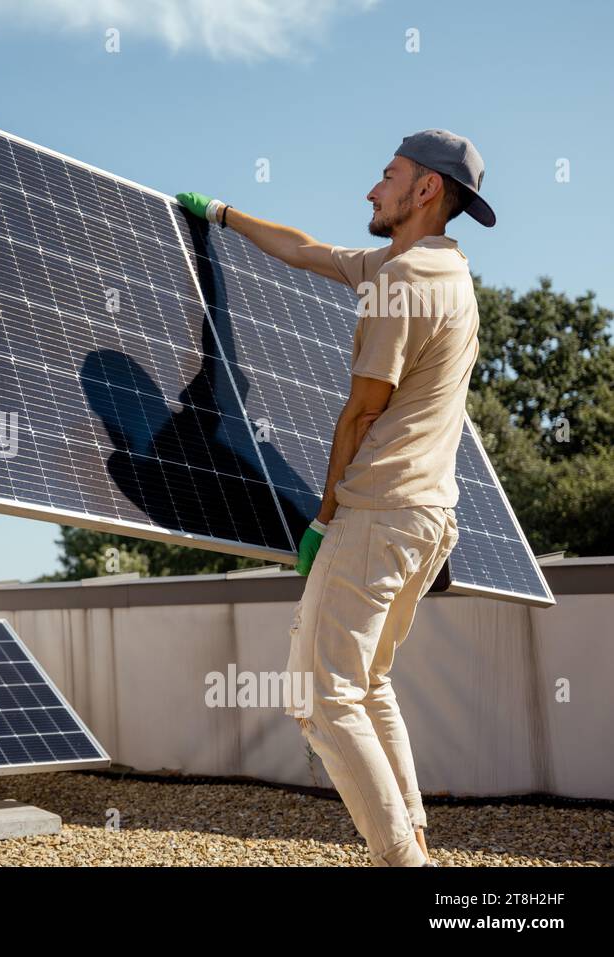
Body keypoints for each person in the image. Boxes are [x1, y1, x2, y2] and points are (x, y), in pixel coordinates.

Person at [176, 129, 493, 867]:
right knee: (367, 682)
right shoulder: (437, 273)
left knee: (320, 699)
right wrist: (223, 214)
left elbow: (360, 414)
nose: (370, 190)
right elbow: (310, 250)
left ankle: (401, 861)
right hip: (429, 518)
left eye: (387, 177)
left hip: (378, 513)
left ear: (426, 191)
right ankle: (412, 835)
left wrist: (322, 520)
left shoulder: (405, 283)